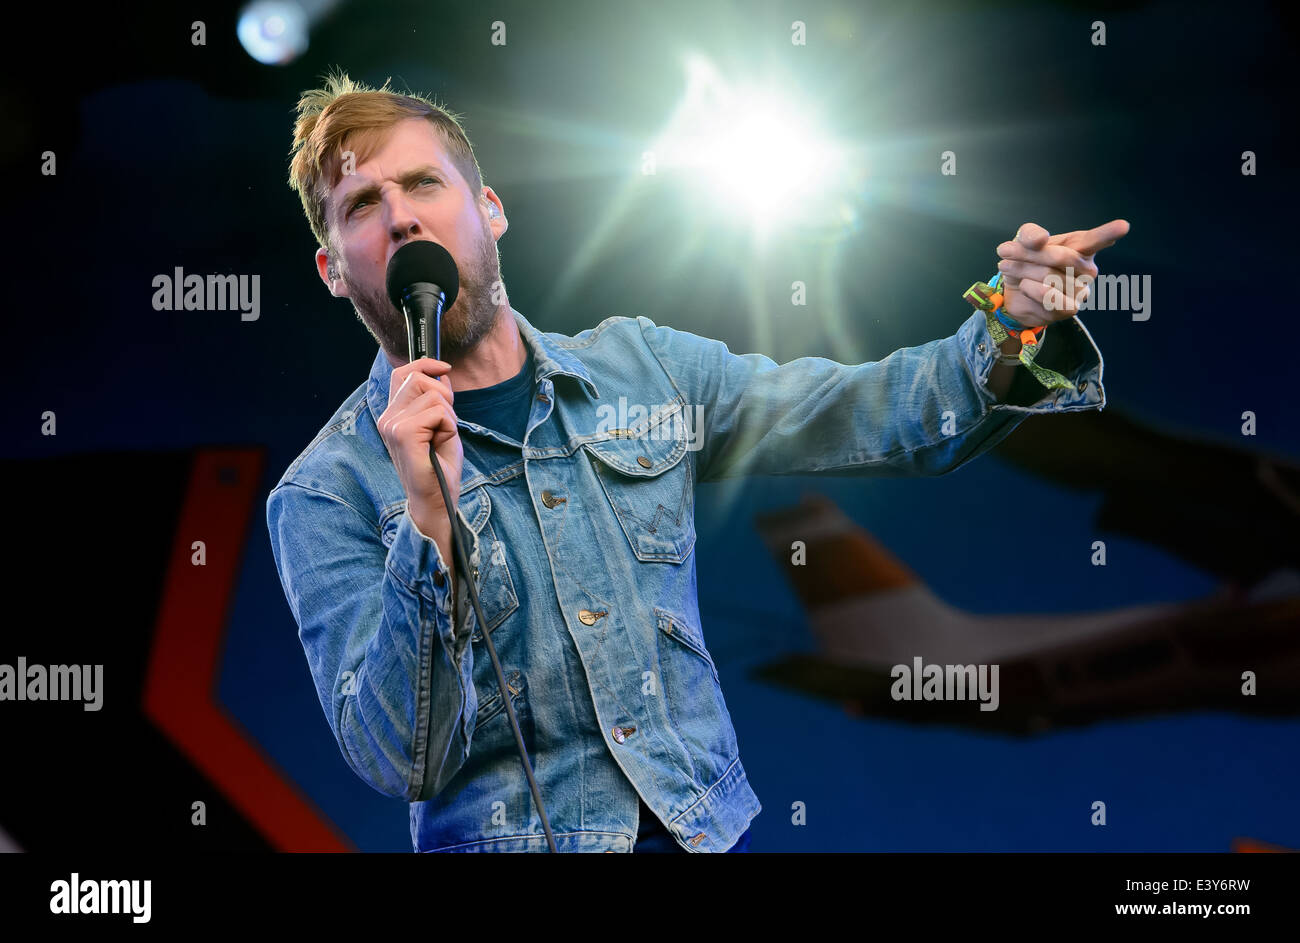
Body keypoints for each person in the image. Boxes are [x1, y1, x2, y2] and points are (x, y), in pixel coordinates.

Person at [265, 70, 1128, 852]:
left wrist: (1013, 327)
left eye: (422, 183)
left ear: (488, 208)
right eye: (361, 205)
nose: (401, 216)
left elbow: (865, 413)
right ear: (333, 267)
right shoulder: (323, 492)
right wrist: (426, 526)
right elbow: (393, 753)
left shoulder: (644, 371)